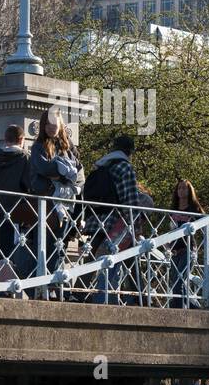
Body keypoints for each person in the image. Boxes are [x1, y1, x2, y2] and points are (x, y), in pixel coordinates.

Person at [28, 111, 83, 295]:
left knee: (61, 244)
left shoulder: (69, 147)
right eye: (48, 124)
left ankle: (55, 286)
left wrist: (70, 179)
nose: (52, 127)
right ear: (43, 126)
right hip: (48, 202)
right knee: (45, 243)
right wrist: (62, 169)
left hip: (67, 202)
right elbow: (41, 167)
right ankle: (43, 285)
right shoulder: (38, 146)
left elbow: (79, 171)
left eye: (55, 123)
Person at [85, 134, 140, 304]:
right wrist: (136, 225)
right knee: (132, 258)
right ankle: (141, 297)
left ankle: (77, 291)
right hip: (115, 222)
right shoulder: (124, 167)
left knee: (92, 255)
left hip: (96, 218)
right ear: (130, 151)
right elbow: (130, 199)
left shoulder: (102, 165)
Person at [0, 125, 33, 280]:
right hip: (10, 211)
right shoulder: (24, 158)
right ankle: (5, 293)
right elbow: (29, 186)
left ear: (5, 139)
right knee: (8, 254)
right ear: (22, 139)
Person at [169, 179, 204, 308]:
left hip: (188, 250)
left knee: (179, 283)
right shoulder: (173, 209)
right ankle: (197, 310)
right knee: (175, 285)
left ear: (189, 191)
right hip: (175, 252)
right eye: (179, 188)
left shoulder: (194, 208)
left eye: (184, 188)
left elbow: (207, 227)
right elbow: (171, 229)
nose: (181, 191)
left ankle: (179, 314)